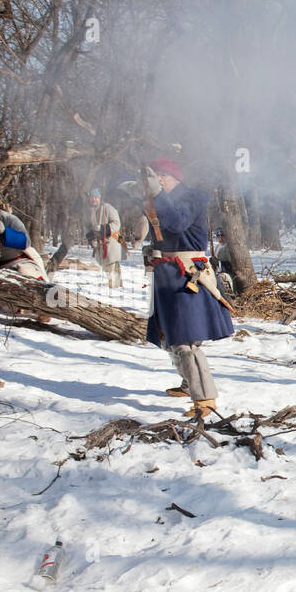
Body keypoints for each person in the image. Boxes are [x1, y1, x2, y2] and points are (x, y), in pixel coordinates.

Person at [141, 158, 234, 419]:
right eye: (155, 176)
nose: (158, 180)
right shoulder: (161, 200)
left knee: (186, 340)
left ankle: (205, 399)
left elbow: (177, 222)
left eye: (163, 176)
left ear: (175, 177)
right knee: (168, 337)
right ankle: (188, 383)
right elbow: (164, 233)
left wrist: (157, 195)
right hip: (168, 274)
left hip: (188, 275)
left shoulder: (191, 198)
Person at [84, 188, 123, 288]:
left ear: (100, 198)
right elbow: (86, 227)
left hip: (110, 241)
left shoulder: (108, 208)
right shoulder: (87, 211)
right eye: (92, 197)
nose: (94, 199)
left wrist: (101, 228)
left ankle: (114, 285)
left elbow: (116, 224)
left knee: (110, 262)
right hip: (99, 242)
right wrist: (91, 239)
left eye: (96, 197)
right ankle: (116, 283)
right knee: (106, 264)